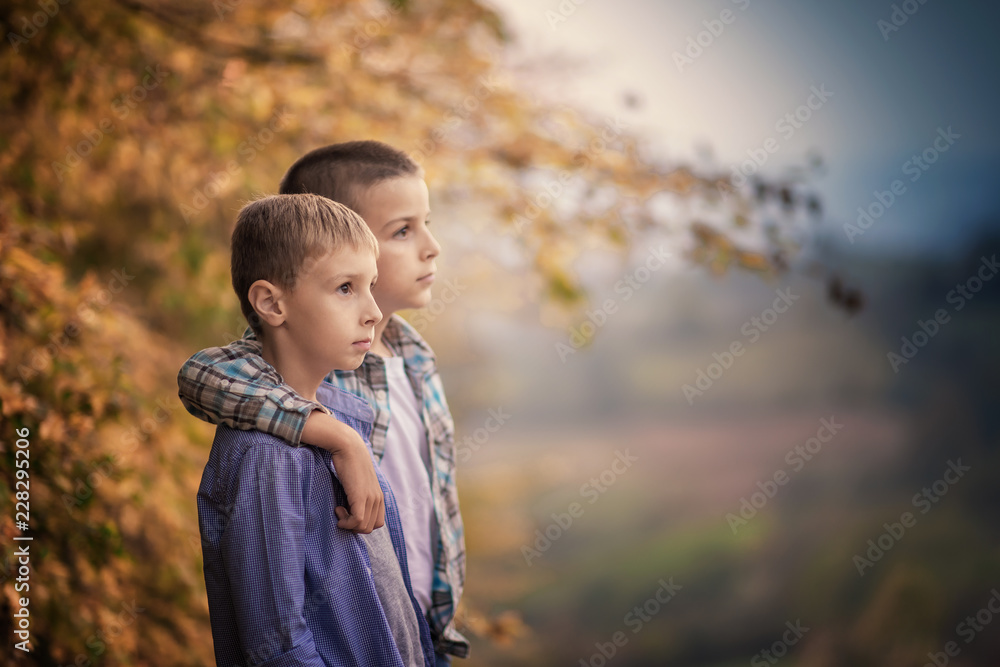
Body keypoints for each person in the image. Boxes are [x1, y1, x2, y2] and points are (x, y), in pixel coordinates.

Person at [179, 142, 468, 664]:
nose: (432, 246)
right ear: (272, 302)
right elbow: (202, 374)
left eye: (370, 285)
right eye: (403, 229)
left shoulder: (414, 359)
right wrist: (338, 437)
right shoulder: (276, 435)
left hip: (418, 634)